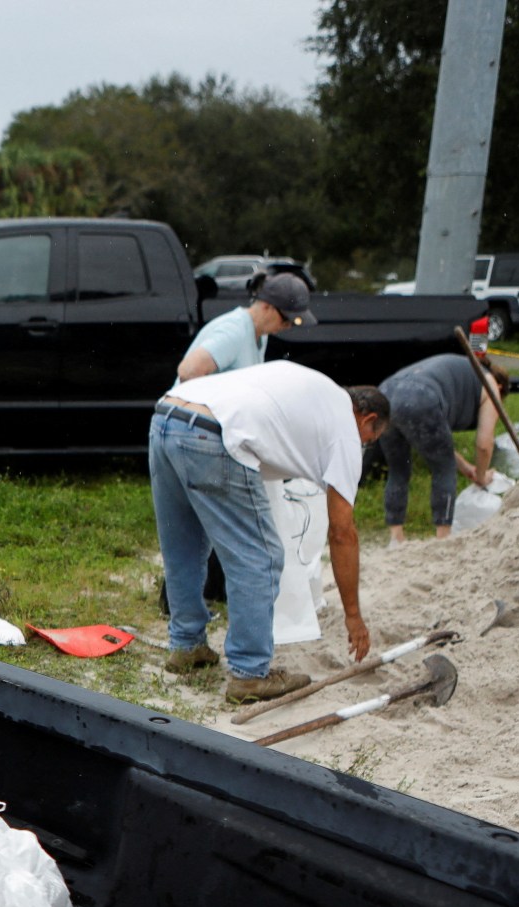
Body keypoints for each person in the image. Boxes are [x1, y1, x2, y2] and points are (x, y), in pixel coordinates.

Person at [151, 361, 389, 702]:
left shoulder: (317, 390)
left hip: (167, 415)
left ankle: (187, 646)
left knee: (184, 546)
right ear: (366, 420)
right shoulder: (344, 429)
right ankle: (249, 673)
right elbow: (342, 532)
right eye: (370, 439)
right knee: (259, 559)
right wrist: (354, 616)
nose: (363, 447)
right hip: (215, 435)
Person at [377, 353, 510, 543]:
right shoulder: (490, 385)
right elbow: (484, 445)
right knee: (444, 470)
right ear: (500, 387)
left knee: (398, 469)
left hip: (386, 392)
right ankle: (443, 539)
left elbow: (436, 444)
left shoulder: (463, 372)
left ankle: (396, 538)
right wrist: (481, 477)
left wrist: (466, 467)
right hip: (421, 396)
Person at [175, 272, 316, 382]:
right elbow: (188, 371)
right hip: (181, 416)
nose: (287, 326)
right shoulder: (234, 332)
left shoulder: (261, 334)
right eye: (286, 320)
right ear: (267, 307)